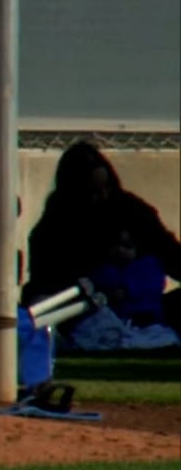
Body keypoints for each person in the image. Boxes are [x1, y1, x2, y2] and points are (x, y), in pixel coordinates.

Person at [23, 140, 181, 334]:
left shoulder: (130, 210)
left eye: (106, 188)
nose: (102, 197)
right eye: (92, 192)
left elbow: (169, 254)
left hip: (141, 306)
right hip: (84, 308)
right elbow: (46, 281)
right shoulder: (56, 222)